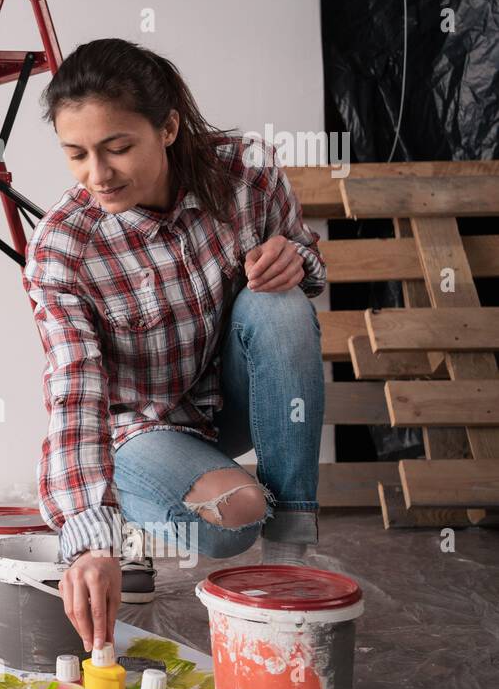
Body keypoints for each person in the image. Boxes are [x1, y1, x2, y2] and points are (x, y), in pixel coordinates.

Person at [21, 38, 327, 653]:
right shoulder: (63, 247)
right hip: (143, 430)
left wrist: (296, 261)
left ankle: (294, 550)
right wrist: (89, 541)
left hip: (231, 405)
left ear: (168, 127)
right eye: (75, 155)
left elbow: (309, 260)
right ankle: (137, 532)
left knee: (280, 306)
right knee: (234, 523)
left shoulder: (247, 172)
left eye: (118, 148)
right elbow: (74, 385)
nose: (97, 175)